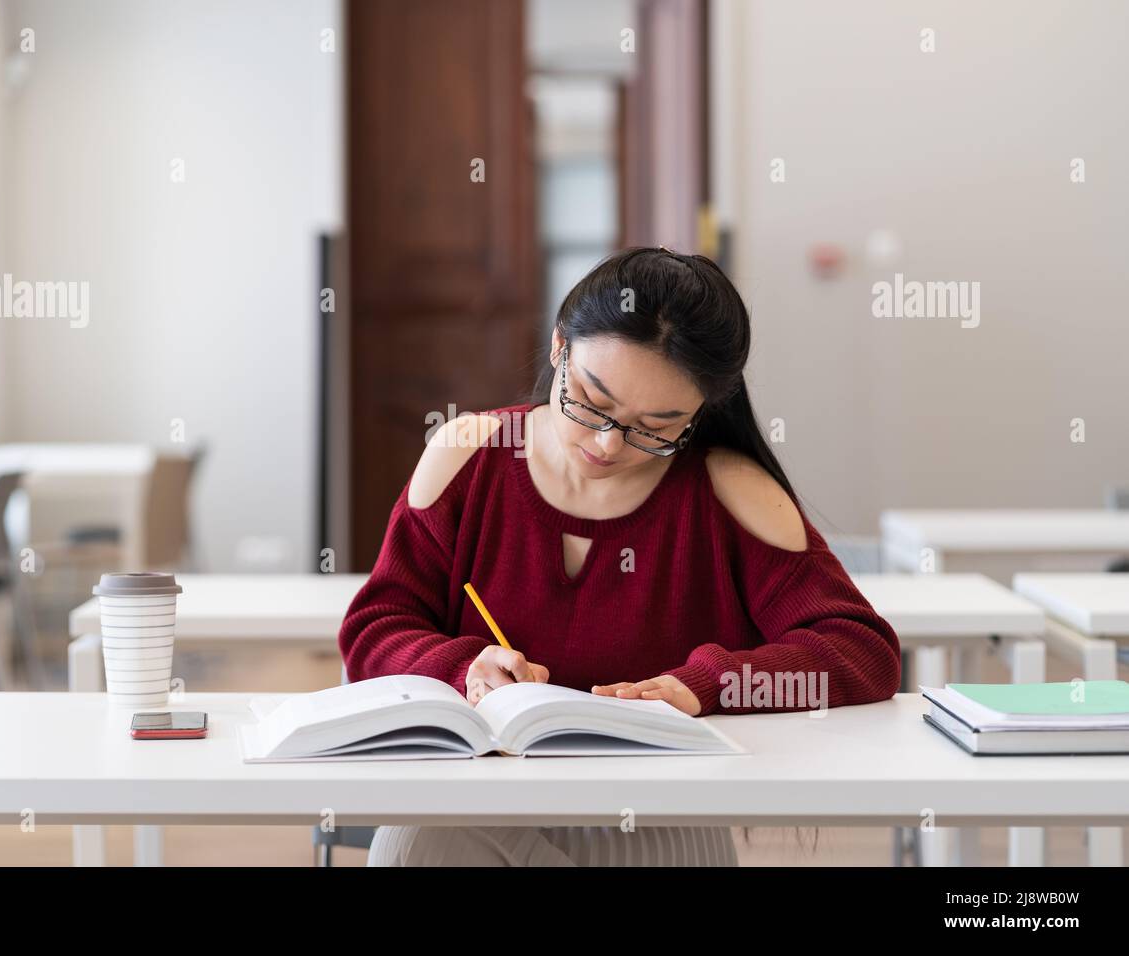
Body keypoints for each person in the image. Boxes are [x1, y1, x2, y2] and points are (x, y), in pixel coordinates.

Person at [338, 247, 902, 866]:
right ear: (559, 347)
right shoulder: (469, 456)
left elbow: (861, 650)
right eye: (590, 400)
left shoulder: (728, 492)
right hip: (471, 811)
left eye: (657, 427)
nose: (608, 445)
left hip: (660, 818)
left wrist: (704, 687)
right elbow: (375, 629)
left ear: (701, 412)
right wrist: (463, 667)